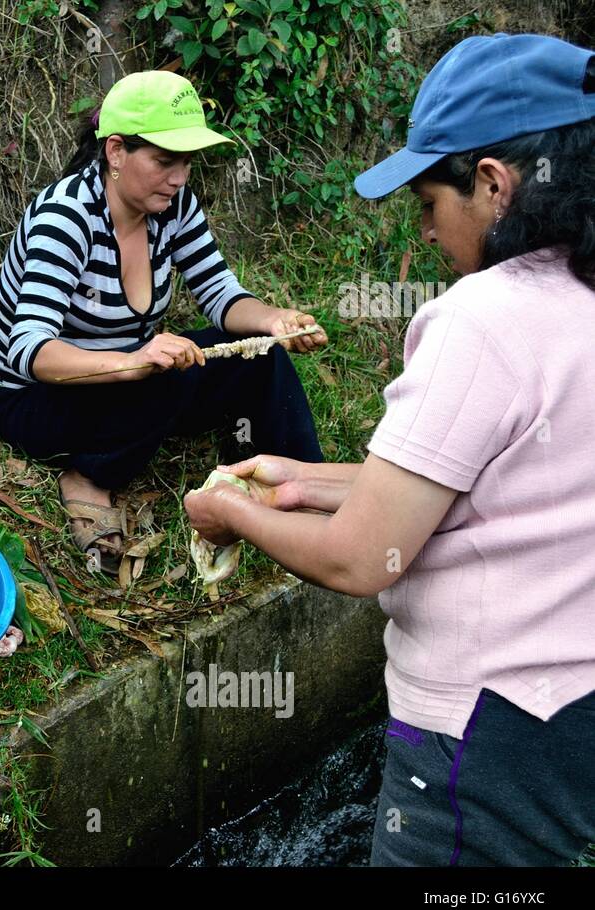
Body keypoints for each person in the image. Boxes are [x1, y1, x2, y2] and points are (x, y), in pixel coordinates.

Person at [183, 33, 595, 866]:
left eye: (429, 206)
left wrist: (227, 511)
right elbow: (491, 487)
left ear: (492, 184)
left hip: (477, 740)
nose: (428, 235)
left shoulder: (482, 319)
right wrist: (299, 482)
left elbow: (362, 560)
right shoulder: (578, 299)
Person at [0, 70, 327, 572]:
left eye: (186, 162)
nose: (180, 177)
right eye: (165, 161)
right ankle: (88, 477)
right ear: (116, 152)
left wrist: (274, 321)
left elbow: (220, 294)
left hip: (130, 381)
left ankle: (304, 490)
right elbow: (30, 351)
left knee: (258, 353)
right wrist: (131, 363)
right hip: (37, 401)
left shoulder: (172, 206)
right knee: (165, 380)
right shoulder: (68, 218)